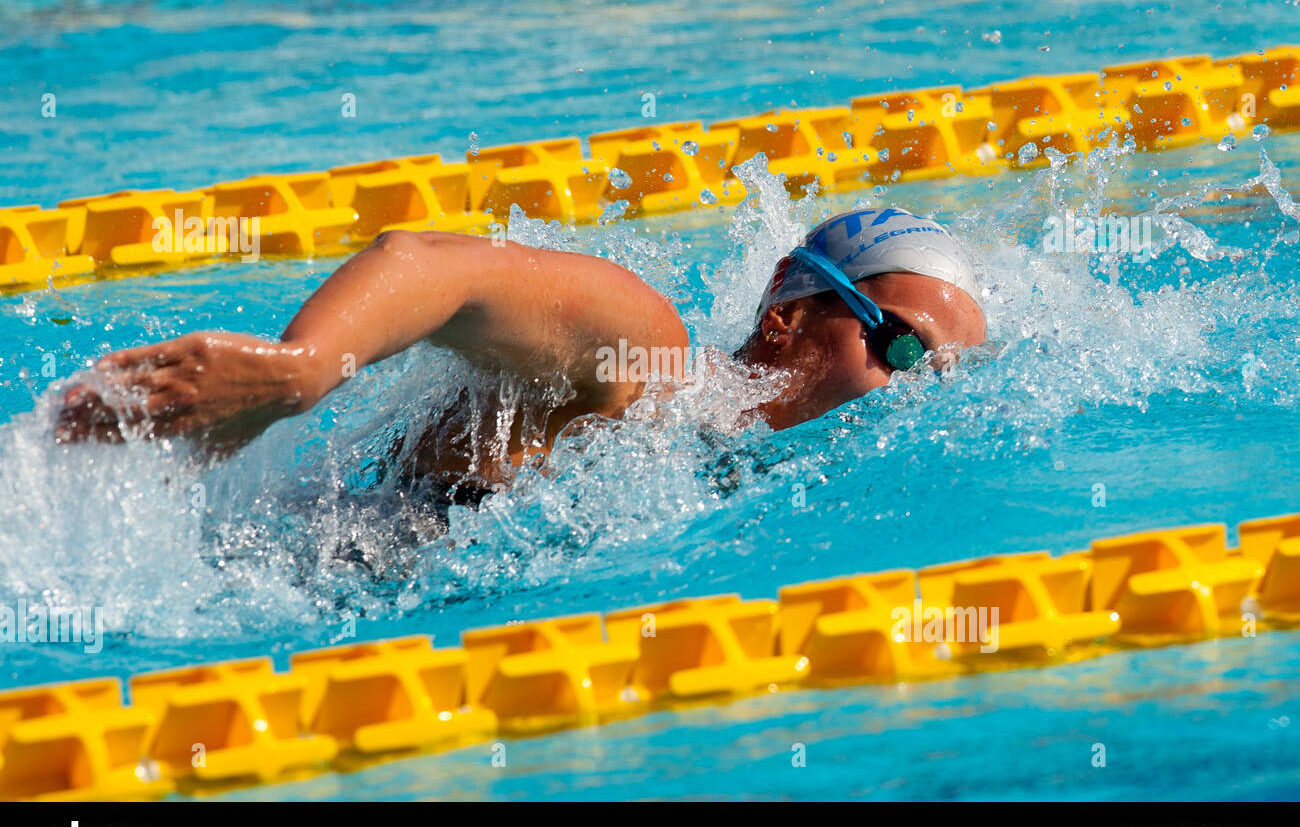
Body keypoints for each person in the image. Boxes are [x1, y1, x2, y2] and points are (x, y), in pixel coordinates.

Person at [55, 207, 986, 497]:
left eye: (938, 378)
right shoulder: (649, 360)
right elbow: (430, 268)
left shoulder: (723, 462)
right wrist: (300, 371)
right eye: (901, 348)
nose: (909, 394)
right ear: (789, 307)